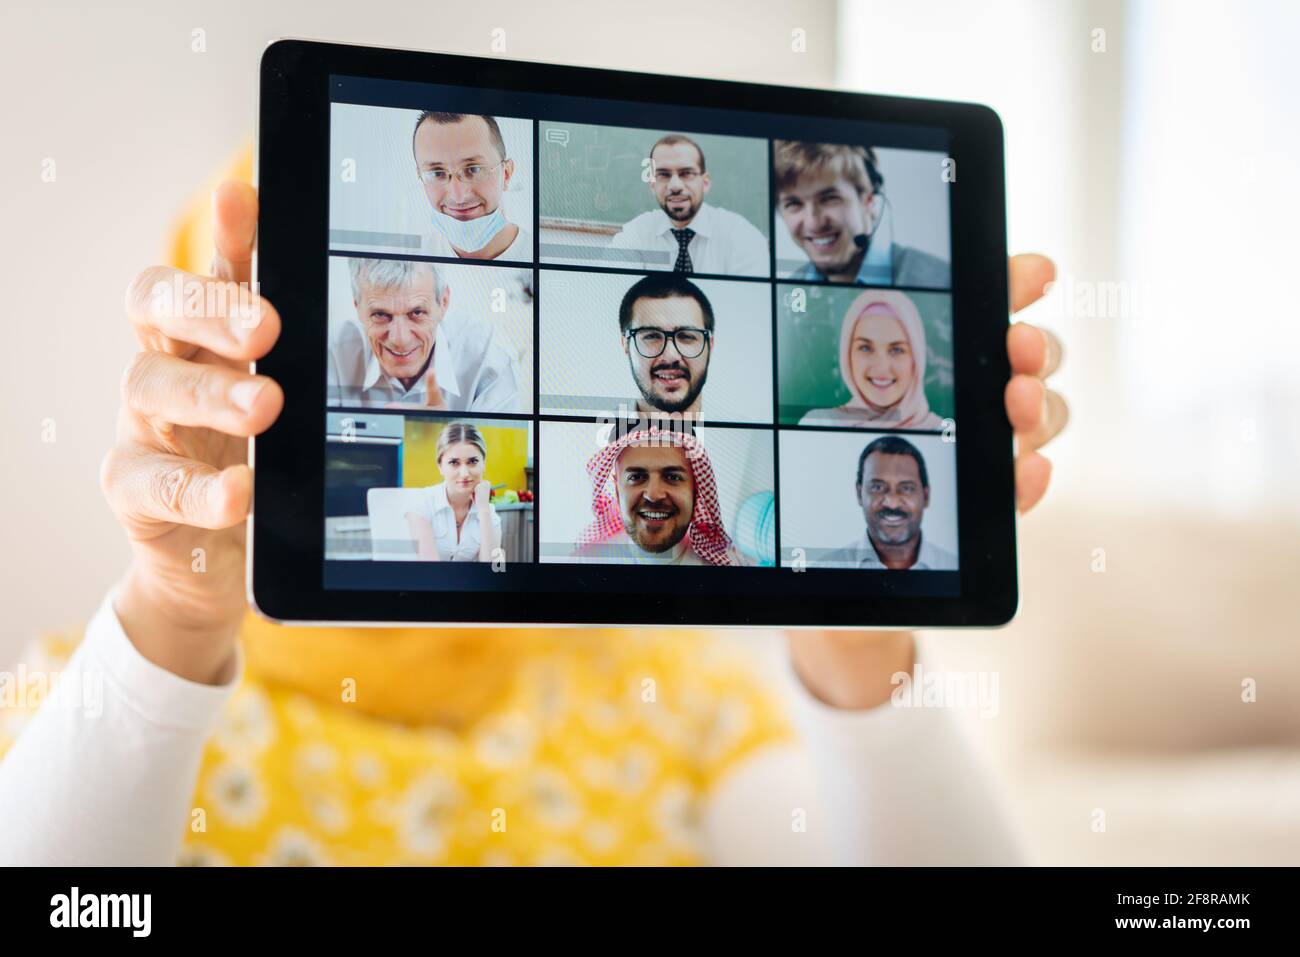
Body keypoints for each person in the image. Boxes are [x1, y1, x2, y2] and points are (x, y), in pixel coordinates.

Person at [0, 152, 1068, 865]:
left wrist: (858, 641)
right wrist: (171, 629)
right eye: (266, 340)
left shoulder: (676, 698)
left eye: (418, 306)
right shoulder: (94, 696)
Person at [327, 257, 520, 411]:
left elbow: (502, 459)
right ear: (357, 308)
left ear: (443, 302)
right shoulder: (333, 353)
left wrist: (448, 436)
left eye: (417, 313)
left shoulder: (490, 361)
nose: (400, 340)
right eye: (380, 314)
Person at [774, 140, 950, 288]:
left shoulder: (937, 279)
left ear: (868, 201)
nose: (813, 223)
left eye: (829, 198)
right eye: (793, 204)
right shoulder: (793, 287)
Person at [573, 426, 748, 566]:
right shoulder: (585, 562)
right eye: (636, 477)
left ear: (696, 489)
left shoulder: (731, 569)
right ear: (617, 490)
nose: (654, 495)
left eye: (673, 477)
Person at [606, 134, 769, 277]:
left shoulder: (740, 235)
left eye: (686, 173)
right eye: (663, 174)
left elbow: (752, 302)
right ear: (652, 185)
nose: (675, 185)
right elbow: (613, 288)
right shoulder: (637, 233)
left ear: (705, 183)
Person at [798, 289, 944, 429]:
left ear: (916, 360)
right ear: (847, 356)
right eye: (865, 348)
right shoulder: (820, 422)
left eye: (896, 350)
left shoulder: (942, 429)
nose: (881, 367)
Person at [821, 436, 957, 571]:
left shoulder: (953, 565)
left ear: (926, 496)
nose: (892, 503)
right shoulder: (823, 569)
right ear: (859, 493)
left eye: (906, 488)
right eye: (877, 487)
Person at [413, 112, 532, 262]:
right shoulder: (411, 258)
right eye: (437, 173)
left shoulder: (536, 254)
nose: (458, 197)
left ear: (506, 174)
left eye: (473, 169)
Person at [618, 273, 715, 424]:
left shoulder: (753, 443)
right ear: (626, 344)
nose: (670, 355)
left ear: (710, 345)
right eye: (652, 336)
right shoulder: (590, 440)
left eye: (686, 336)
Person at [403, 423, 501, 563]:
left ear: (484, 463)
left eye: (472, 461)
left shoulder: (489, 514)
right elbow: (430, 572)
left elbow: (494, 570)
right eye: (454, 463)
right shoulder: (422, 503)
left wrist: (484, 510)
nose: (464, 473)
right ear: (440, 466)